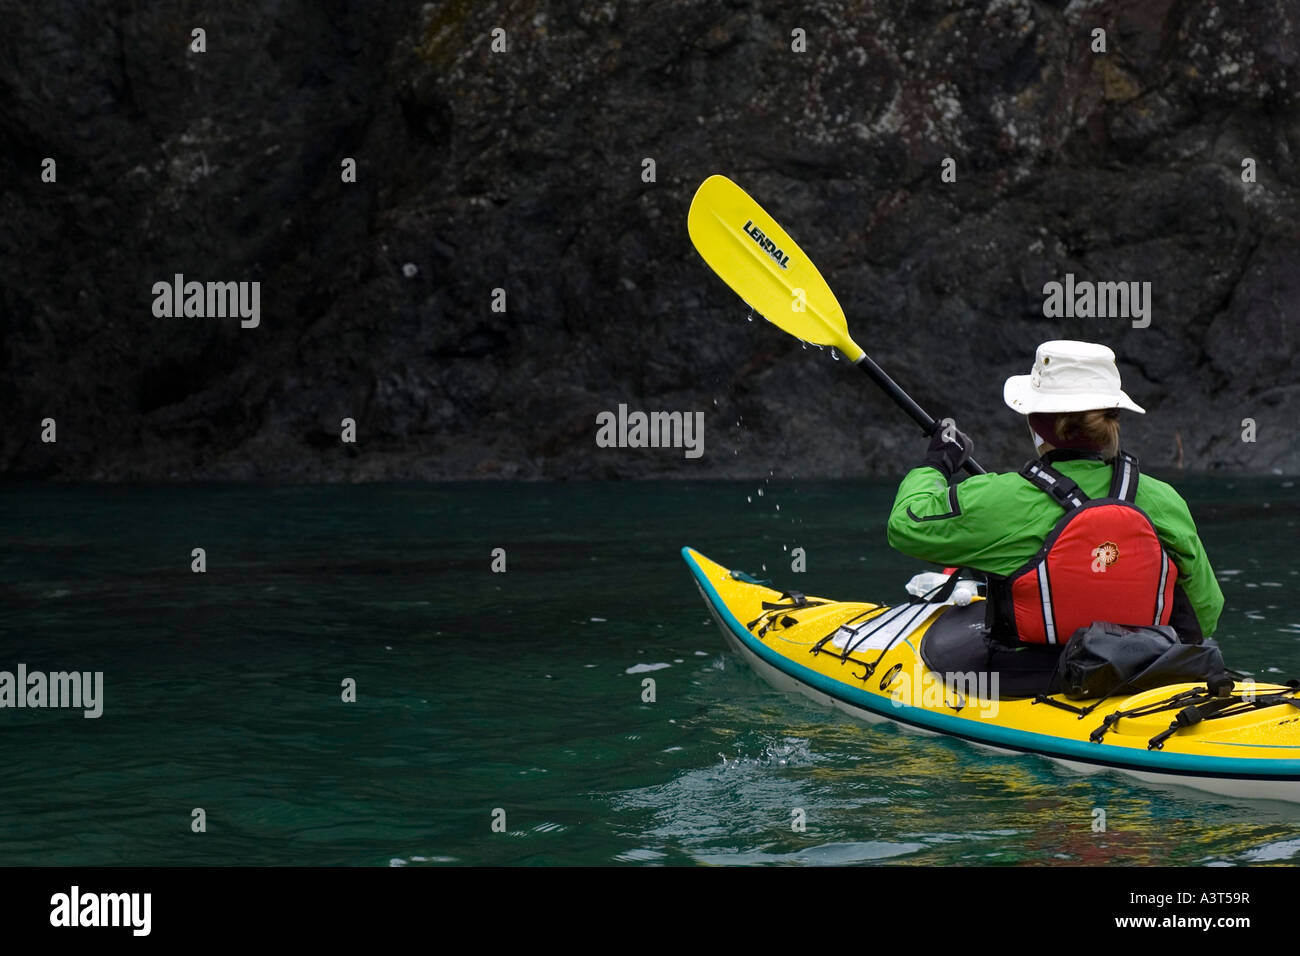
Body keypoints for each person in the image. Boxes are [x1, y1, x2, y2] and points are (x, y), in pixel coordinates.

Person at [887, 340, 1223, 645]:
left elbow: (906, 525)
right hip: (1141, 673)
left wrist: (938, 463)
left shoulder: (998, 498)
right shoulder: (1164, 499)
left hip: (1032, 678)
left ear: (1036, 421)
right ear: (1111, 419)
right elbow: (1205, 611)